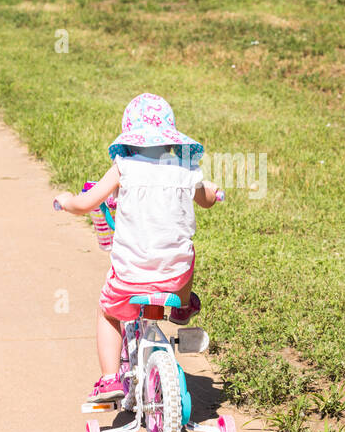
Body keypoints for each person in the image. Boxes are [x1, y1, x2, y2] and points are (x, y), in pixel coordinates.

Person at [54, 94, 221, 403]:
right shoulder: (186, 169)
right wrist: (211, 190)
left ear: (130, 140)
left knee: (108, 313)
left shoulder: (124, 167)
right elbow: (208, 200)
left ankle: (108, 380)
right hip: (174, 278)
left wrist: (66, 201)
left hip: (131, 277)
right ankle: (182, 305)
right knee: (187, 253)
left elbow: (86, 203)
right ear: (171, 139)